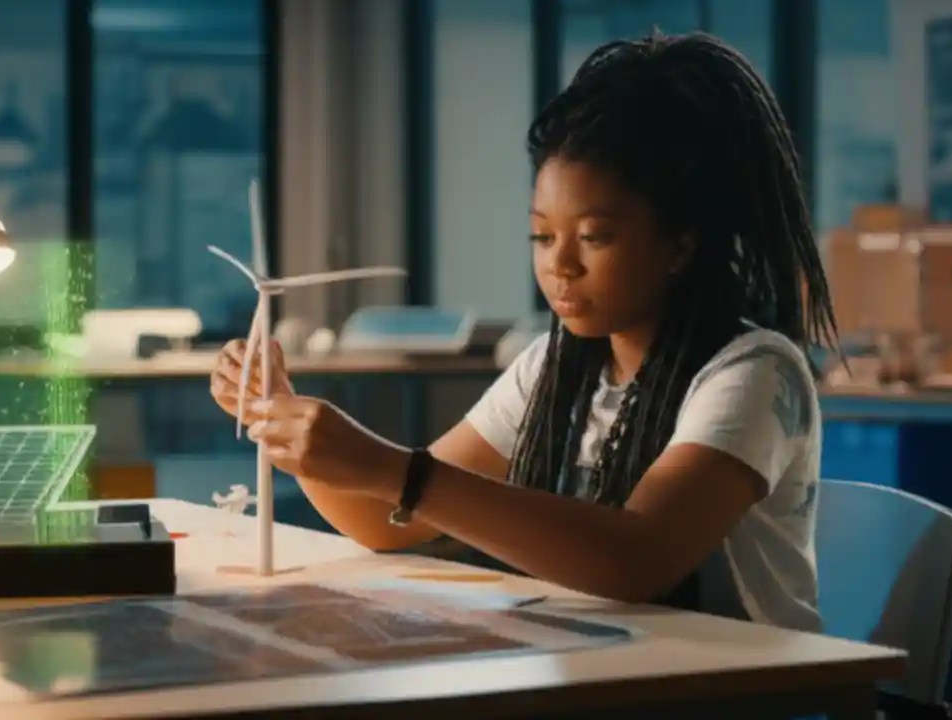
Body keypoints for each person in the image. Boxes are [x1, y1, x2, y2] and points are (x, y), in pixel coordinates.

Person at [209, 31, 837, 633]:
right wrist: (286, 425)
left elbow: (637, 559)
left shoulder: (754, 372)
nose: (559, 264)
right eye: (542, 235)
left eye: (594, 237)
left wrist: (395, 470)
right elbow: (386, 520)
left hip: (747, 692)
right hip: (611, 677)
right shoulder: (553, 365)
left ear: (680, 243)